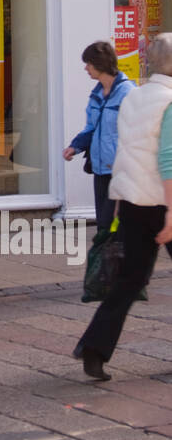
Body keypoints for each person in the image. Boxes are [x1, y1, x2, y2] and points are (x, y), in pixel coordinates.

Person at [74, 33, 172, 381]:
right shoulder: (169, 100)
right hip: (162, 202)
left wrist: (117, 202)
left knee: (129, 281)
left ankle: (95, 349)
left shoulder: (135, 97)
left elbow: (125, 150)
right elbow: (169, 158)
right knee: (131, 279)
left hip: (131, 200)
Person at [63, 41, 135, 231]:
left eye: (88, 63)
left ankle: (117, 256)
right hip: (100, 168)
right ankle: (109, 256)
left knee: (114, 222)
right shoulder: (96, 94)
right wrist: (75, 147)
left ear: (100, 63)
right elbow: (91, 128)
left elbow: (136, 132)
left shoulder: (128, 93)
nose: (86, 68)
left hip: (120, 169)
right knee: (104, 223)